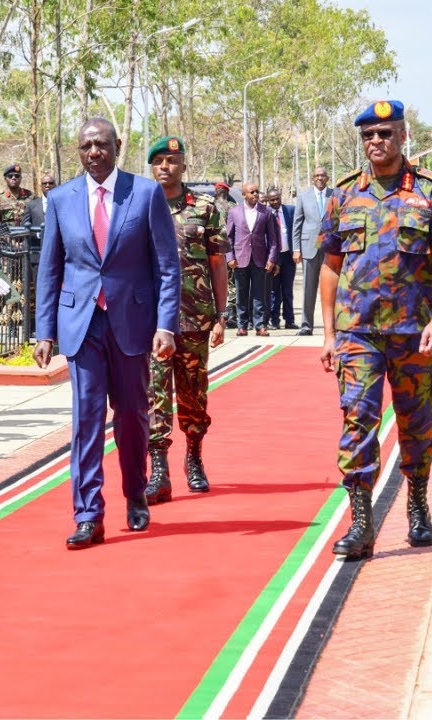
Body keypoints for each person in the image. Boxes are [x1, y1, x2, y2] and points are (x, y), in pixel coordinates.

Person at [318, 99, 432, 560]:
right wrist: (327, 334)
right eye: (368, 136)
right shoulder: (342, 195)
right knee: (357, 420)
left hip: (412, 331)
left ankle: (417, 504)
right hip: (357, 333)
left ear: (403, 137)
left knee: (417, 423)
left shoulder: (430, 193)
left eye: (384, 134)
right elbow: (330, 266)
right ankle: (361, 522)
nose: (375, 142)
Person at [33, 118, 179, 549]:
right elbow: (49, 269)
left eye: (101, 144)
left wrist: (166, 325)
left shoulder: (146, 193)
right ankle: (88, 515)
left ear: (117, 146)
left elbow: (167, 267)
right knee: (86, 421)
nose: (93, 152)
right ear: (78, 151)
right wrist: (44, 332)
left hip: (132, 324)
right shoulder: (61, 199)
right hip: (82, 325)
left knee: (132, 416)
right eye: (85, 146)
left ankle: (136, 494)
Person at [143, 136, 227, 504]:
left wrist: (222, 316)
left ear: (183, 166)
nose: (165, 166)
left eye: (172, 160)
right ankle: (158, 470)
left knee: (194, 393)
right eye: (159, 160)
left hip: (194, 319)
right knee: (155, 395)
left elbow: (217, 264)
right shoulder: (139, 206)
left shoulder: (205, 208)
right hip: (151, 322)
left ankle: (194, 458)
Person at [224, 183, 280, 336]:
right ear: (244, 195)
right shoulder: (234, 212)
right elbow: (228, 237)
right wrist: (230, 257)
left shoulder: (266, 212)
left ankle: (260, 325)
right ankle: (242, 325)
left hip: (259, 259)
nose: (255, 194)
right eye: (252, 192)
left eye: (257, 191)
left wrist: (271, 259)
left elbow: (273, 239)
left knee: (259, 294)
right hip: (240, 259)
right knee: (241, 294)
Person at [293, 167, 333, 335]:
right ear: (312, 178)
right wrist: (296, 248)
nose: (320, 178)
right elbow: (297, 224)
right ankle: (306, 326)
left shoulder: (335, 194)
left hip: (330, 248)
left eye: (323, 175)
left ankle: (331, 326)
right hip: (309, 248)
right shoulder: (303, 197)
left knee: (331, 289)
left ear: (327, 178)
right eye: (317, 175)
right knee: (308, 290)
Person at [265, 187, 297, 329]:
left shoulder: (290, 211)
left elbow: (296, 231)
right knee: (274, 291)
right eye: (272, 200)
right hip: (273, 257)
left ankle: (289, 320)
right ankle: (274, 320)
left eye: (277, 198)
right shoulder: (265, 213)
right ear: (268, 200)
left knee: (288, 290)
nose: (275, 202)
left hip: (288, 257)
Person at [213, 181, 238, 328]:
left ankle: (230, 314)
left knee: (229, 283)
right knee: (228, 283)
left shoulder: (232, 208)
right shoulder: (210, 206)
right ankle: (227, 313)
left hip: (226, 251)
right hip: (219, 250)